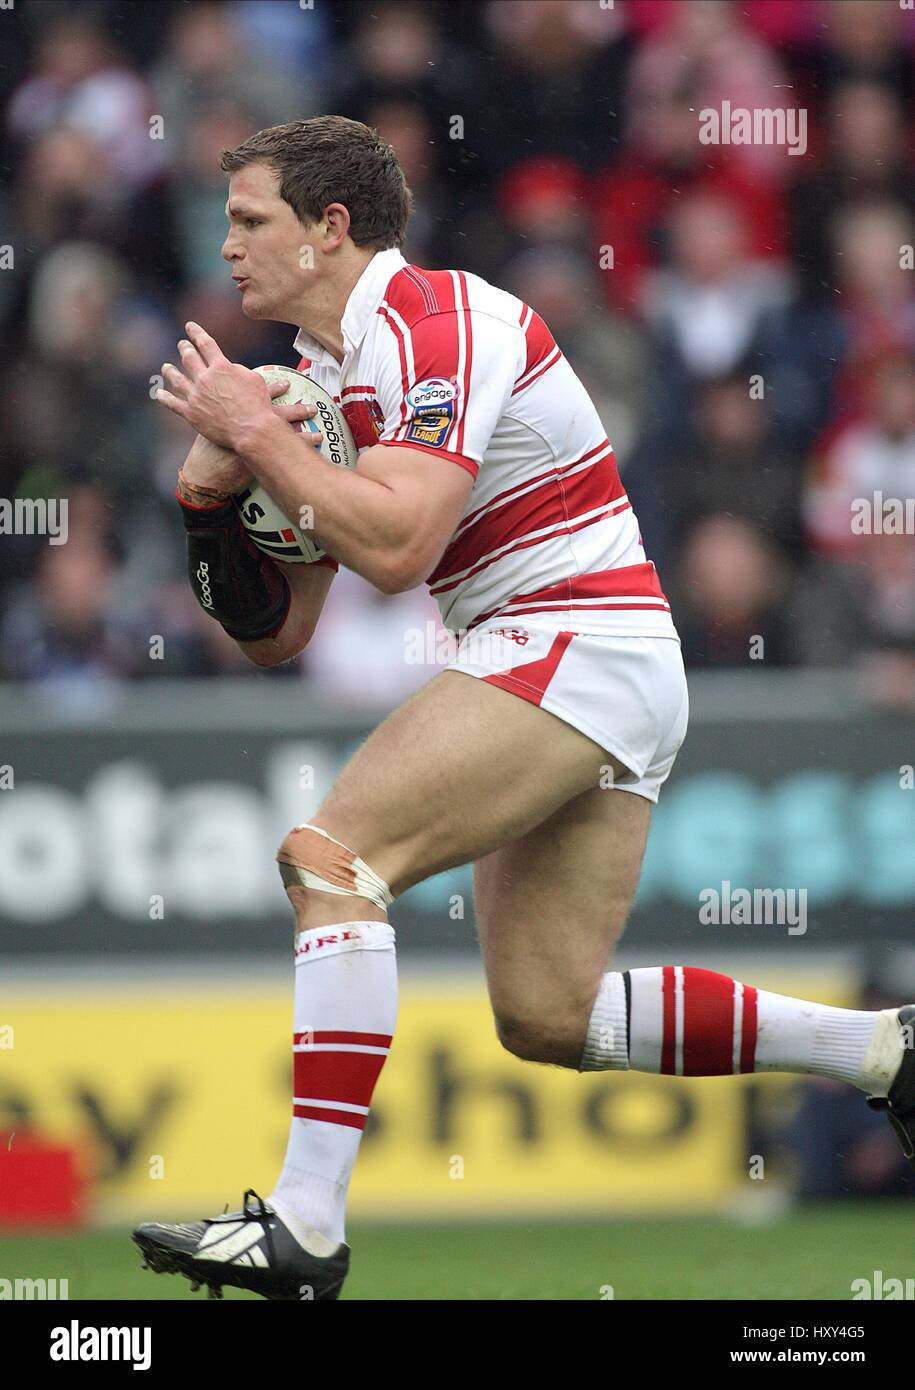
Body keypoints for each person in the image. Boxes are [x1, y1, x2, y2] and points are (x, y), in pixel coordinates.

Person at [133, 116, 915, 1301]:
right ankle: (882, 1049)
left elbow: (397, 546)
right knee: (548, 1015)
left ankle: (305, 1227)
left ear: (330, 227)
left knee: (331, 856)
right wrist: (207, 502)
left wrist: (257, 439)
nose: (229, 245)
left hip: (575, 638)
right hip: (587, 657)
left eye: (251, 220)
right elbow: (278, 633)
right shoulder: (332, 373)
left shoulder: (435, 321)